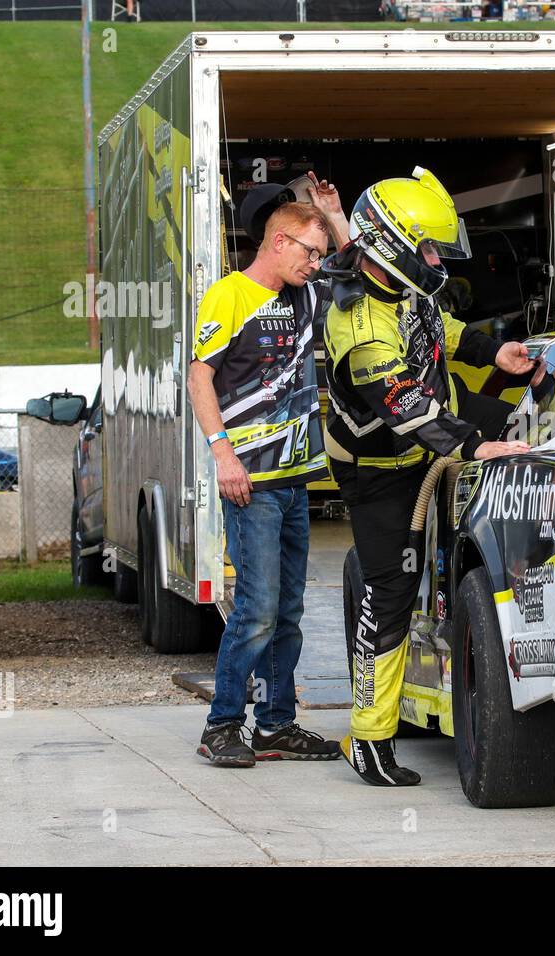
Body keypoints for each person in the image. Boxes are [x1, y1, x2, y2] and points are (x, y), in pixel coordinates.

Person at [322, 167, 533, 786]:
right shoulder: (359, 327)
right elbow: (406, 409)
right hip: (380, 468)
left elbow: (438, 332)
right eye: (430, 249)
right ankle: (369, 739)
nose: (437, 259)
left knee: (533, 422)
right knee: (390, 592)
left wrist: (493, 352)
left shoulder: (400, 285)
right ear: (391, 244)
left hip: (428, 428)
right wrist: (475, 446)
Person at [188, 173, 351, 768]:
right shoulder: (230, 294)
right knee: (256, 607)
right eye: (310, 251)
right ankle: (222, 724)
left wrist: (332, 214)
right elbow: (199, 375)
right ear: (278, 242)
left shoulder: (305, 296)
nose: (317, 263)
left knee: (288, 609)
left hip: (294, 481)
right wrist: (222, 453)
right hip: (249, 481)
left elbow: (359, 275)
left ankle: (277, 725)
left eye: (320, 254)